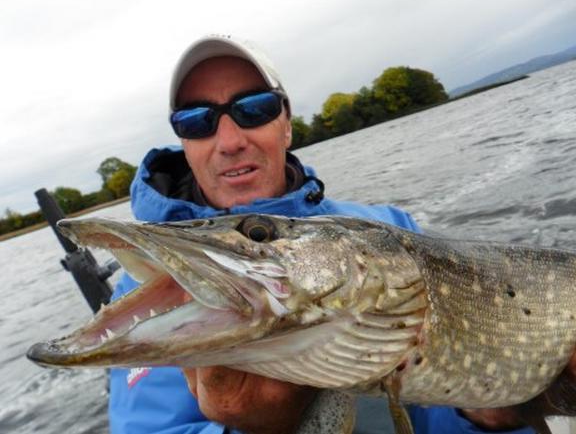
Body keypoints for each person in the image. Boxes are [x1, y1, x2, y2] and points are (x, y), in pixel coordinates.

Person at [108, 34, 546, 434]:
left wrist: (490, 416)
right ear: (183, 142)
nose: (229, 140)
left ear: (287, 124)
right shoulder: (154, 283)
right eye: (196, 120)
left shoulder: (391, 230)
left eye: (254, 108)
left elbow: (436, 416)